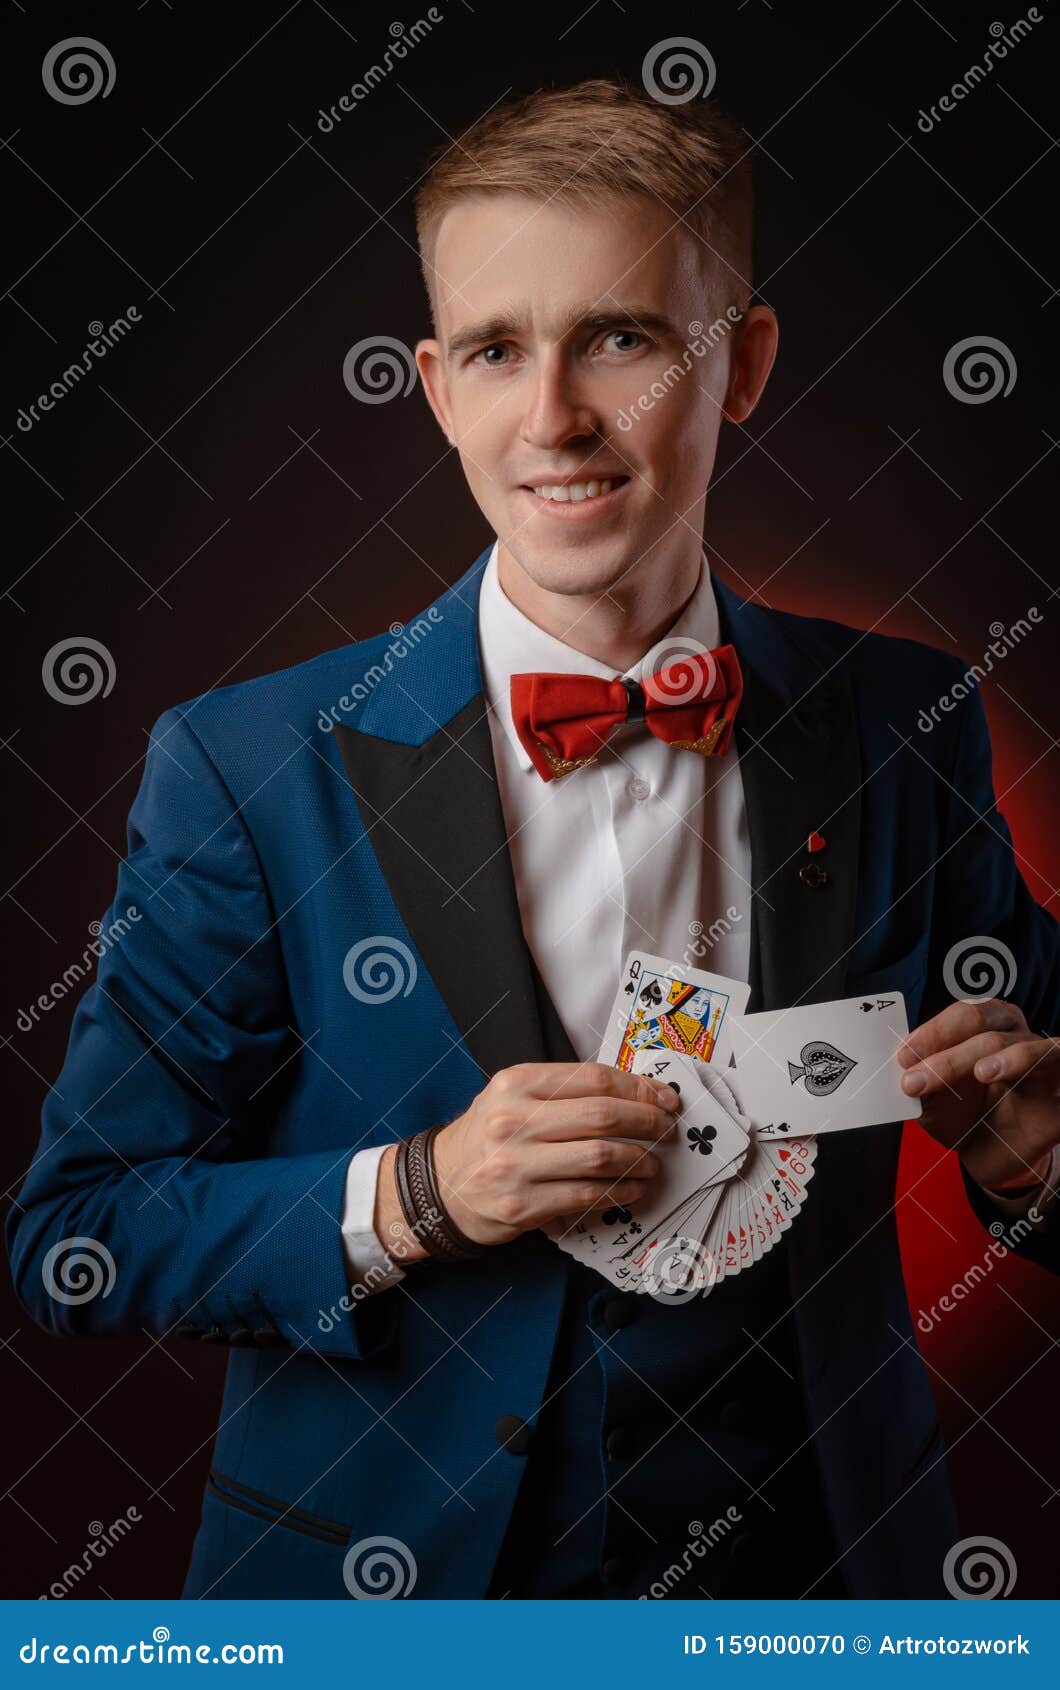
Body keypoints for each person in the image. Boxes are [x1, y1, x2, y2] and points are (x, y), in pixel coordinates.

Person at [8, 78, 1060, 1602]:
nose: (554, 417)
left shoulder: (908, 720)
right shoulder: (247, 766)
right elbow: (74, 1236)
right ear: (437, 386)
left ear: (741, 362)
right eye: (500, 350)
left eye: (622, 338)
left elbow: (1038, 1075)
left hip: (815, 1590)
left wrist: (1032, 1166)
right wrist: (419, 1193)